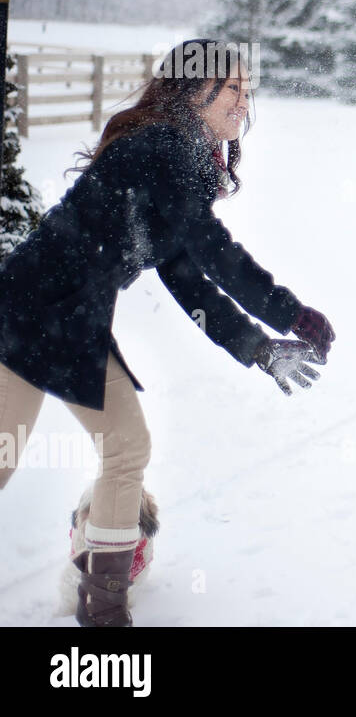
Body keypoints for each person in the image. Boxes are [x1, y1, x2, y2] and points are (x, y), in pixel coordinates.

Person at [0, 38, 335, 626]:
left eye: (248, 91)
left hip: (74, 324)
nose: (243, 101)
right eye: (232, 88)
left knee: (126, 447)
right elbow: (215, 253)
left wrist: (258, 347)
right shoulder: (159, 146)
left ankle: (103, 610)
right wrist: (288, 312)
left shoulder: (177, 158)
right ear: (193, 88)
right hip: (22, 313)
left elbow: (189, 281)